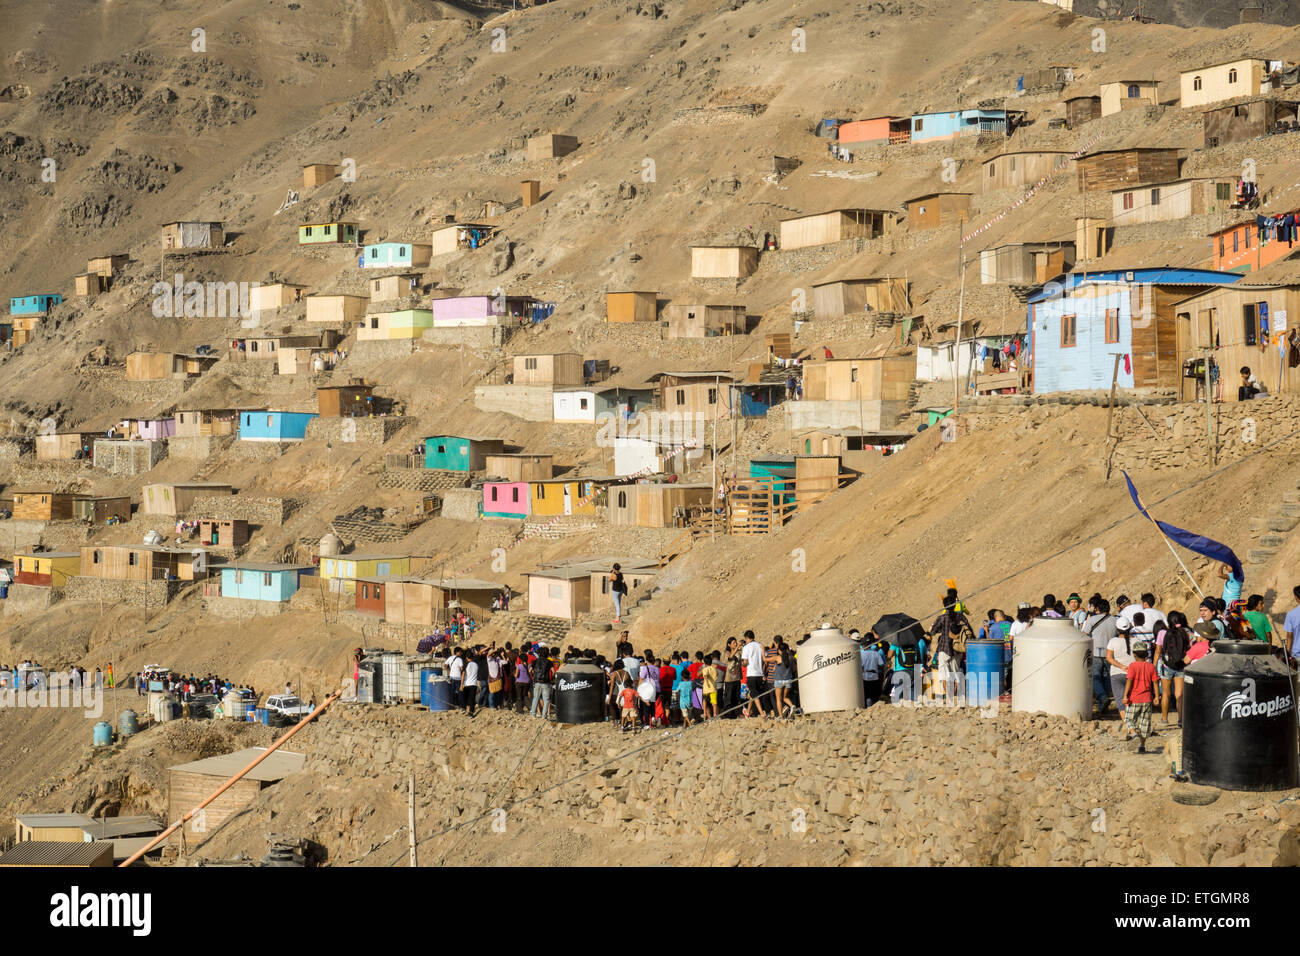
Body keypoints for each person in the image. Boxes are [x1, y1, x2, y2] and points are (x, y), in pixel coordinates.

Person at [1154, 610, 1191, 727]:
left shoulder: (1162, 633)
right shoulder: (1185, 632)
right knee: (1179, 694)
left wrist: (1154, 665)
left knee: (1166, 694)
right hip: (1181, 666)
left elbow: (1158, 651)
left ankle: (1164, 719)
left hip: (1166, 666)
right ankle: (1181, 719)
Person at [1123, 642, 1159, 754]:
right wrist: (1157, 696)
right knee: (1145, 723)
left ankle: (1134, 734)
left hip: (1134, 698)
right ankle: (1142, 746)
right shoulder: (1151, 666)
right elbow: (1155, 682)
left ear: (1134, 654)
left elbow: (1129, 681)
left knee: (1129, 719)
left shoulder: (1132, 666)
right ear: (1146, 654)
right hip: (1147, 699)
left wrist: (1125, 695)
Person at [1106, 617, 1136, 729]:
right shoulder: (1137, 641)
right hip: (1133, 674)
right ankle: (1134, 723)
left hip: (1117, 673)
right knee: (1132, 699)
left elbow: (1109, 658)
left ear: (1117, 629)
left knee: (1120, 700)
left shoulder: (1113, 641)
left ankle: (1129, 726)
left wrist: (1121, 666)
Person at [741, 631, 767, 718]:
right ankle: (748, 712)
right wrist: (763, 671)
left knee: (755, 695)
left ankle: (762, 713)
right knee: (753, 693)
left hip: (751, 674)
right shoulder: (760, 645)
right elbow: (765, 660)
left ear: (747, 638)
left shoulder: (746, 647)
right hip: (760, 674)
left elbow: (745, 662)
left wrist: (743, 664)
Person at [772, 639, 795, 718]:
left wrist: (762, 651)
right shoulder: (791, 658)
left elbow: (765, 660)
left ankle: (781, 716)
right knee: (785, 697)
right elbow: (794, 669)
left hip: (779, 681)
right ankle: (791, 706)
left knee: (778, 699)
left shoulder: (778, 658)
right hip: (788, 680)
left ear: (779, 650)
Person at [723, 637, 743, 717]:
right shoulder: (726, 653)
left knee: (736, 697)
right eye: (734, 643)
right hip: (729, 679)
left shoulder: (738, 652)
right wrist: (738, 646)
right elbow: (730, 658)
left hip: (737, 678)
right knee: (729, 698)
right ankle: (728, 714)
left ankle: (736, 713)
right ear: (729, 645)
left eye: (736, 642)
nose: (735, 644)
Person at [460, 652, 479, 718]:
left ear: (467, 658)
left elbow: (463, 674)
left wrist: (461, 684)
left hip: (467, 683)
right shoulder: (476, 665)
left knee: (464, 697)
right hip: (474, 684)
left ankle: (463, 708)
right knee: (472, 699)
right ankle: (471, 713)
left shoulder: (466, 664)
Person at [1285, 585, 1300, 664]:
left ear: (1296, 597)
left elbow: (1289, 636)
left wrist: (1287, 654)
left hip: (1297, 654)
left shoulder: (1291, 614)